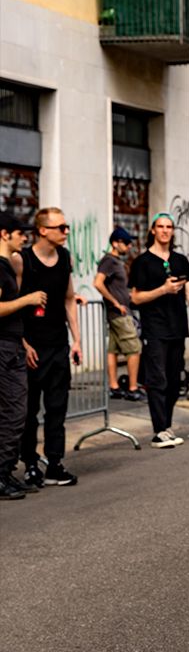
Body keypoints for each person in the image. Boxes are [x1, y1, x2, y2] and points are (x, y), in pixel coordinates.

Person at [129, 213, 189, 449]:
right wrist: (162, 290)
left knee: (174, 382)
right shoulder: (143, 262)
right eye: (160, 226)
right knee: (158, 380)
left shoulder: (180, 260)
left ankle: (166, 425)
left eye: (169, 227)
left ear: (172, 231)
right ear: (153, 230)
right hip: (155, 329)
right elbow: (135, 297)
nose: (165, 230)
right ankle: (159, 430)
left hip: (177, 328)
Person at [19, 206, 82, 488]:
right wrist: (23, 343)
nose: (66, 232)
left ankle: (55, 464)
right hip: (32, 347)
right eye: (61, 227)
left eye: (67, 227)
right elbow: (13, 305)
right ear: (43, 230)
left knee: (57, 409)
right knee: (29, 411)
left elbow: (69, 298)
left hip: (58, 344)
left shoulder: (65, 257)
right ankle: (30, 464)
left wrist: (77, 339)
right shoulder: (22, 261)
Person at [0, 211, 46, 500]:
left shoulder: (6, 265)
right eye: (20, 233)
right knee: (13, 413)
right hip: (3, 350)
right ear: (5, 234)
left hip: (12, 344)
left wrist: (24, 342)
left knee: (15, 412)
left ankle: (4, 473)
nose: (25, 238)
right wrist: (27, 299)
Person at [94, 227, 145, 403]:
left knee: (113, 350)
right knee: (134, 348)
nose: (130, 246)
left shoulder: (116, 262)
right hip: (119, 313)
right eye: (126, 243)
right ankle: (132, 388)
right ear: (115, 243)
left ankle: (114, 387)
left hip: (120, 312)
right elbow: (98, 283)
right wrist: (115, 303)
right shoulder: (109, 261)